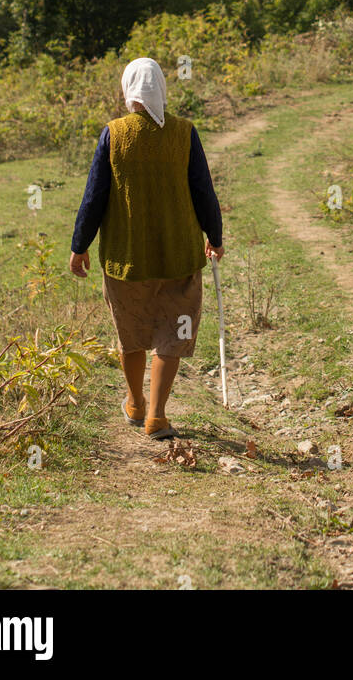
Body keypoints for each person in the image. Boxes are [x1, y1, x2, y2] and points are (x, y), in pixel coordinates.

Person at [69, 56, 224, 439]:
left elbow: (94, 196)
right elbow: (203, 191)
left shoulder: (114, 134)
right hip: (179, 256)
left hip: (127, 260)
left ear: (128, 91)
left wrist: (80, 245)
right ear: (161, 90)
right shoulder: (184, 132)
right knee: (172, 333)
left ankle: (135, 402)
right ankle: (157, 414)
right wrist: (215, 237)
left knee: (131, 332)